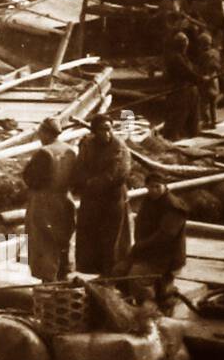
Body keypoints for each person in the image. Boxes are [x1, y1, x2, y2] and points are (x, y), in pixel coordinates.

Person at [72, 113, 132, 276]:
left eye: (109, 129)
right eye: (102, 130)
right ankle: (90, 270)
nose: (107, 133)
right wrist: (84, 181)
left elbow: (119, 172)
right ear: (94, 132)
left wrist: (93, 183)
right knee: (90, 233)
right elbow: (79, 167)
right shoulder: (87, 144)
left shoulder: (119, 146)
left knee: (112, 236)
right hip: (91, 198)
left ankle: (112, 272)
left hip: (112, 196)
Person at [22, 117, 77, 282]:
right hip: (66, 199)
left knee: (43, 240)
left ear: (45, 133)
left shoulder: (44, 153)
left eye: (40, 133)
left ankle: (47, 278)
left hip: (45, 201)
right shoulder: (70, 150)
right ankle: (64, 273)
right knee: (63, 238)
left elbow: (31, 178)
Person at [128, 174, 188, 306]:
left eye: (157, 186)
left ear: (165, 186)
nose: (154, 190)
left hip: (167, 257)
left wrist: (140, 246)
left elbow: (165, 236)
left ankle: (150, 309)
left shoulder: (173, 206)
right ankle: (147, 300)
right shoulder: (148, 200)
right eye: (150, 187)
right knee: (119, 271)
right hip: (149, 253)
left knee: (136, 277)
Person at [162, 31, 206, 140]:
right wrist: (200, 79)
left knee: (193, 117)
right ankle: (172, 139)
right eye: (183, 44)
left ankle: (193, 137)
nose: (185, 46)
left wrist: (199, 78)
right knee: (178, 117)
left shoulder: (182, 57)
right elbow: (187, 73)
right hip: (181, 91)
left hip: (190, 91)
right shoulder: (176, 58)